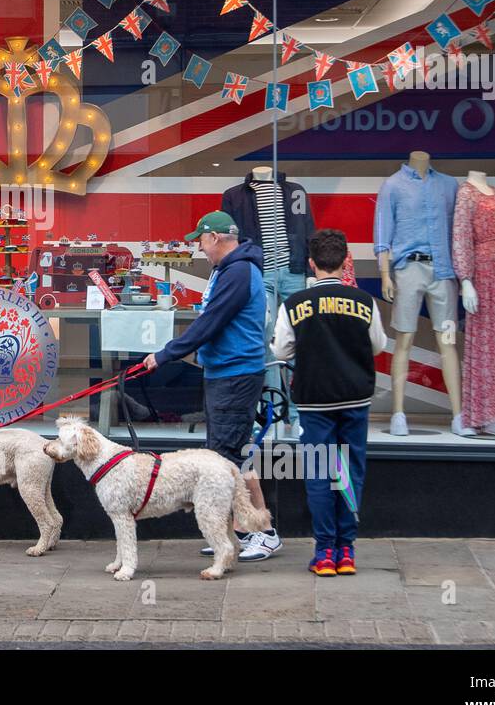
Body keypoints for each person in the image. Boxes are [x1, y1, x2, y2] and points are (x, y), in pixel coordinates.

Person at [143, 210, 281, 561]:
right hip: (225, 372)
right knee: (232, 454)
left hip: (235, 374)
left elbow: (212, 322)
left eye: (201, 241)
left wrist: (166, 354)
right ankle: (236, 534)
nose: (200, 249)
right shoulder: (230, 270)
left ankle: (263, 532)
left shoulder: (238, 271)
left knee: (230, 458)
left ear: (215, 238)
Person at [271, 228, 387, 576]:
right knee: (350, 473)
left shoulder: (294, 304)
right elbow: (378, 345)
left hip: (314, 401)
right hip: (355, 397)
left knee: (319, 474)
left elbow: (280, 350)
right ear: (345, 260)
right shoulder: (365, 303)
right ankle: (346, 551)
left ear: (311, 264)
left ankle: (324, 553)